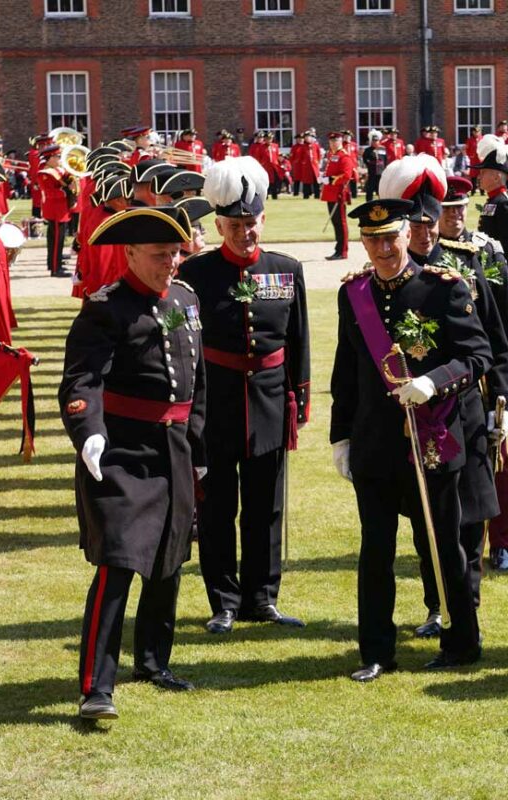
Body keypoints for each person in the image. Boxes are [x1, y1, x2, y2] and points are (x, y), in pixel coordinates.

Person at [331, 197, 492, 682]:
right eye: (372, 239)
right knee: (375, 548)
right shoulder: (353, 293)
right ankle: (376, 650)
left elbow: (476, 356)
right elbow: (347, 370)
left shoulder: (443, 288)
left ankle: (462, 642)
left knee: (444, 545)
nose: (382, 248)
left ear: (408, 234)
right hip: (376, 440)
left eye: (390, 237)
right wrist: (341, 436)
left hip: (433, 435)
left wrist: (433, 382)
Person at [61, 205, 206, 720]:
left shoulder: (185, 298)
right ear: (129, 254)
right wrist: (89, 434)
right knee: (118, 563)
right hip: (122, 452)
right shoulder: (105, 308)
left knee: (169, 559)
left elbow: (196, 380)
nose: (170, 263)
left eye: (175, 253)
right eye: (159, 255)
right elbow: (82, 381)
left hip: (175, 448)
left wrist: (201, 450)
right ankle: (97, 687)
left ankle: (152, 661)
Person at [375, 163, 508, 631]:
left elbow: (492, 335)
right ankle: (438, 605)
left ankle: (464, 604)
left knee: (468, 516)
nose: (426, 232)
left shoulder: (465, 263)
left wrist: (506, 394)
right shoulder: (390, 280)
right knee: (424, 518)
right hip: (413, 416)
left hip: (462, 410)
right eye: (416, 225)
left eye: (430, 224)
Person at [180, 157, 310, 634]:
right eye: (234, 225)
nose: (244, 233)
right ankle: (224, 602)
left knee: (266, 506)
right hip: (215, 406)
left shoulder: (286, 269)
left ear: (262, 221)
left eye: (250, 223)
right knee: (217, 506)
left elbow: (298, 341)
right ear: (218, 226)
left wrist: (301, 397)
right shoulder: (196, 274)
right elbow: (183, 343)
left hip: (271, 404)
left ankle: (262, 597)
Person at [438, 176, 508, 573]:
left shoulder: (486, 250)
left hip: (488, 373)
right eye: (447, 209)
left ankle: (502, 542)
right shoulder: (428, 253)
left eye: (460, 208)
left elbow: (505, 314)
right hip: (446, 374)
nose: (454, 216)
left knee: (497, 459)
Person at [475, 134, 508, 299]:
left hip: (500, 270)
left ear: (496, 176)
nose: (479, 176)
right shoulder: (494, 200)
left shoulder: (505, 204)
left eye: (483, 172)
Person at [321, 131, 358, 261]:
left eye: (335, 141)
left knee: (340, 223)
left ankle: (342, 251)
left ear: (340, 141)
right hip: (330, 193)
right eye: (331, 141)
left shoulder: (344, 156)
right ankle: (338, 249)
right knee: (335, 222)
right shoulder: (333, 155)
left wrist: (330, 180)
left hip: (338, 193)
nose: (332, 143)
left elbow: (347, 175)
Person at [37, 144, 72, 275]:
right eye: (57, 156)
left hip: (60, 210)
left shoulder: (57, 170)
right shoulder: (45, 173)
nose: (59, 159)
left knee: (58, 239)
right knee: (57, 239)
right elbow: (50, 193)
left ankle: (53, 263)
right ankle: (55, 268)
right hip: (55, 211)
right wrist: (66, 191)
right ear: (50, 158)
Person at [362, 129, 386, 202]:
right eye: (373, 141)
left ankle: (382, 203)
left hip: (380, 173)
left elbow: (385, 160)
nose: (375, 142)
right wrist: (371, 164)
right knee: (370, 190)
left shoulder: (383, 149)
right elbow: (365, 160)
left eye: (376, 141)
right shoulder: (367, 150)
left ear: (379, 141)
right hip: (372, 173)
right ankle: (368, 204)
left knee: (380, 191)